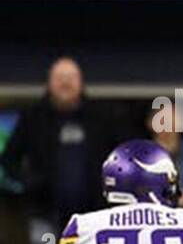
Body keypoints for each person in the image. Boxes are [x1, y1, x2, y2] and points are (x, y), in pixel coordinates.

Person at [0, 57, 112, 229]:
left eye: (71, 77)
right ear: (49, 82)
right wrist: (27, 184)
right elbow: (9, 159)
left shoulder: (100, 118)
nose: (65, 83)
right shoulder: (32, 118)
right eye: (59, 77)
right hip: (44, 217)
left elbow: (117, 157)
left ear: (81, 82)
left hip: (92, 219)